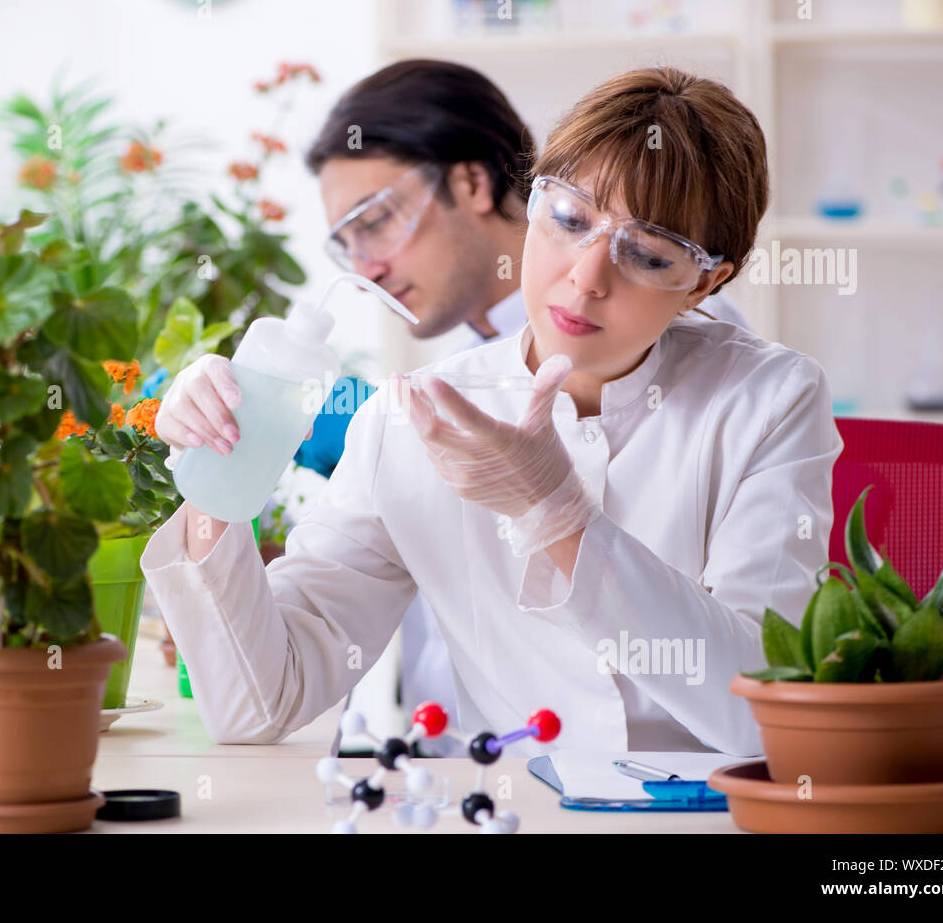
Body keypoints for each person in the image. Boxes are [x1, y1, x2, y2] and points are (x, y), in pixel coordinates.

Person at [141, 67, 841, 758]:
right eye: (568, 219)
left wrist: (558, 515)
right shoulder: (410, 416)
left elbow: (768, 714)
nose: (587, 278)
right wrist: (217, 476)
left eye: (650, 256)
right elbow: (259, 702)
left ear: (706, 283)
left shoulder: (767, 400)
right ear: (534, 203)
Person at [292, 59, 755, 755]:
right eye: (346, 242)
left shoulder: (681, 344)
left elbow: (740, 683)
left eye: (377, 221)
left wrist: (551, 507)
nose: (366, 268)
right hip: (465, 766)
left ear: (473, 182)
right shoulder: (434, 385)